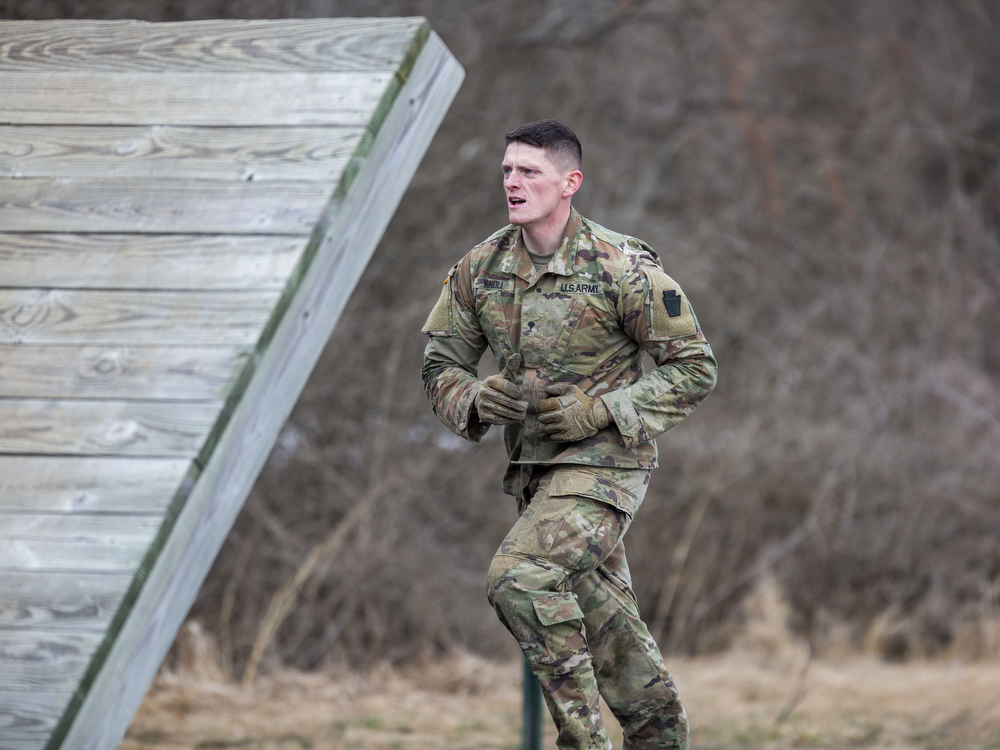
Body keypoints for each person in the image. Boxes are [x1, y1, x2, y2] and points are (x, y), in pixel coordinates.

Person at [421, 119, 717, 749]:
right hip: (533, 477)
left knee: (520, 576)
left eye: (529, 171)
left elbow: (695, 368)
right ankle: (660, 737)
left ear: (569, 182)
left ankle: (583, 743)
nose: (513, 181)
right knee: (611, 629)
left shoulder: (622, 267)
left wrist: (602, 412)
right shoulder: (481, 268)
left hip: (607, 468)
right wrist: (475, 396)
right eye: (507, 170)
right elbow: (439, 365)